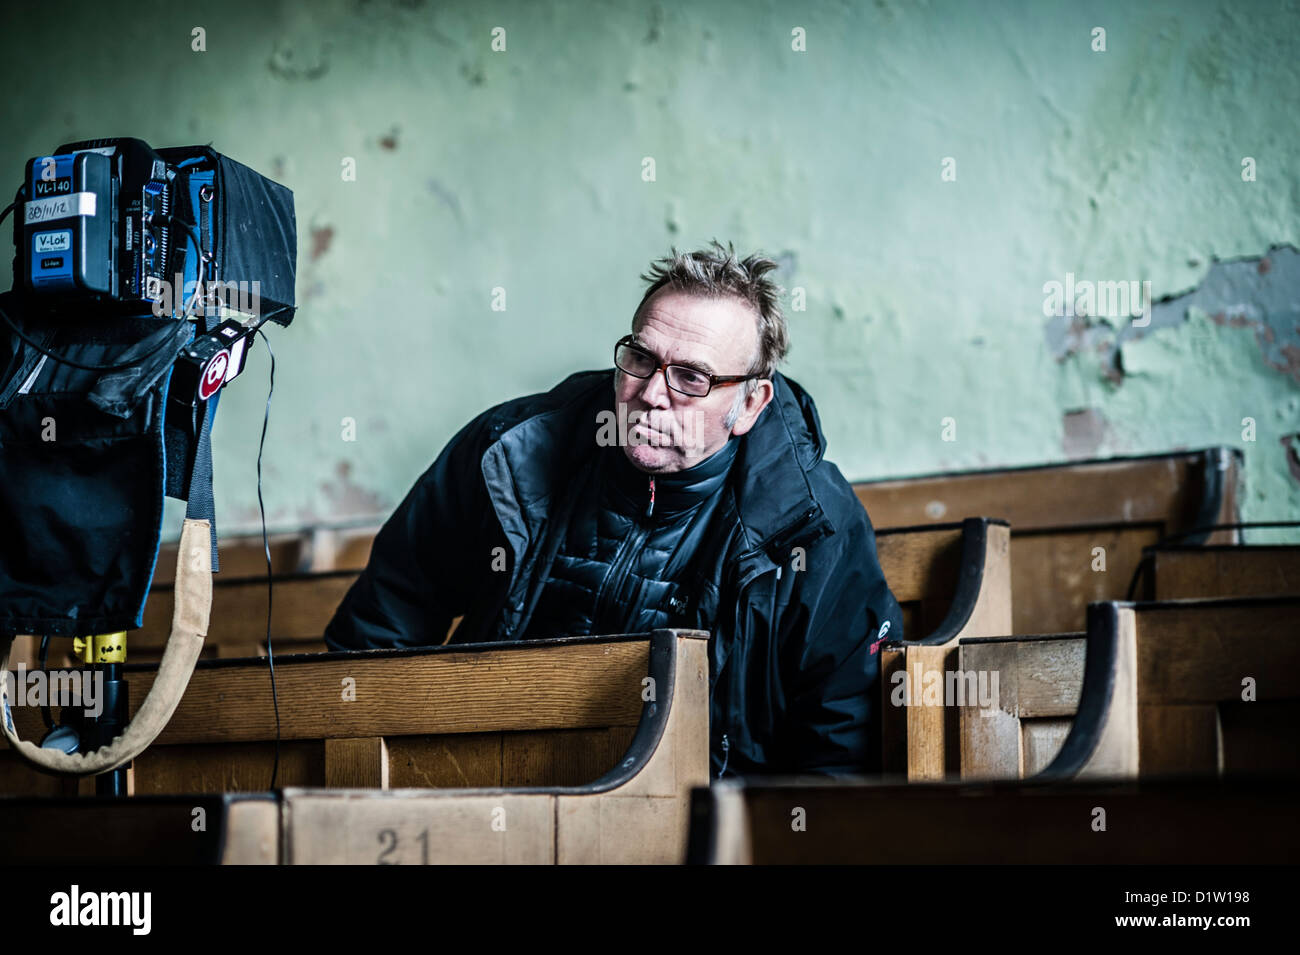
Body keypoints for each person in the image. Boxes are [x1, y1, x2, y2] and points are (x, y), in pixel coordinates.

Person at [324, 240, 902, 776]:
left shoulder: (815, 525)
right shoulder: (512, 449)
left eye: (692, 377)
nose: (651, 392)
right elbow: (377, 636)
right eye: (641, 359)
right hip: (486, 797)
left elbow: (841, 745)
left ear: (751, 404)